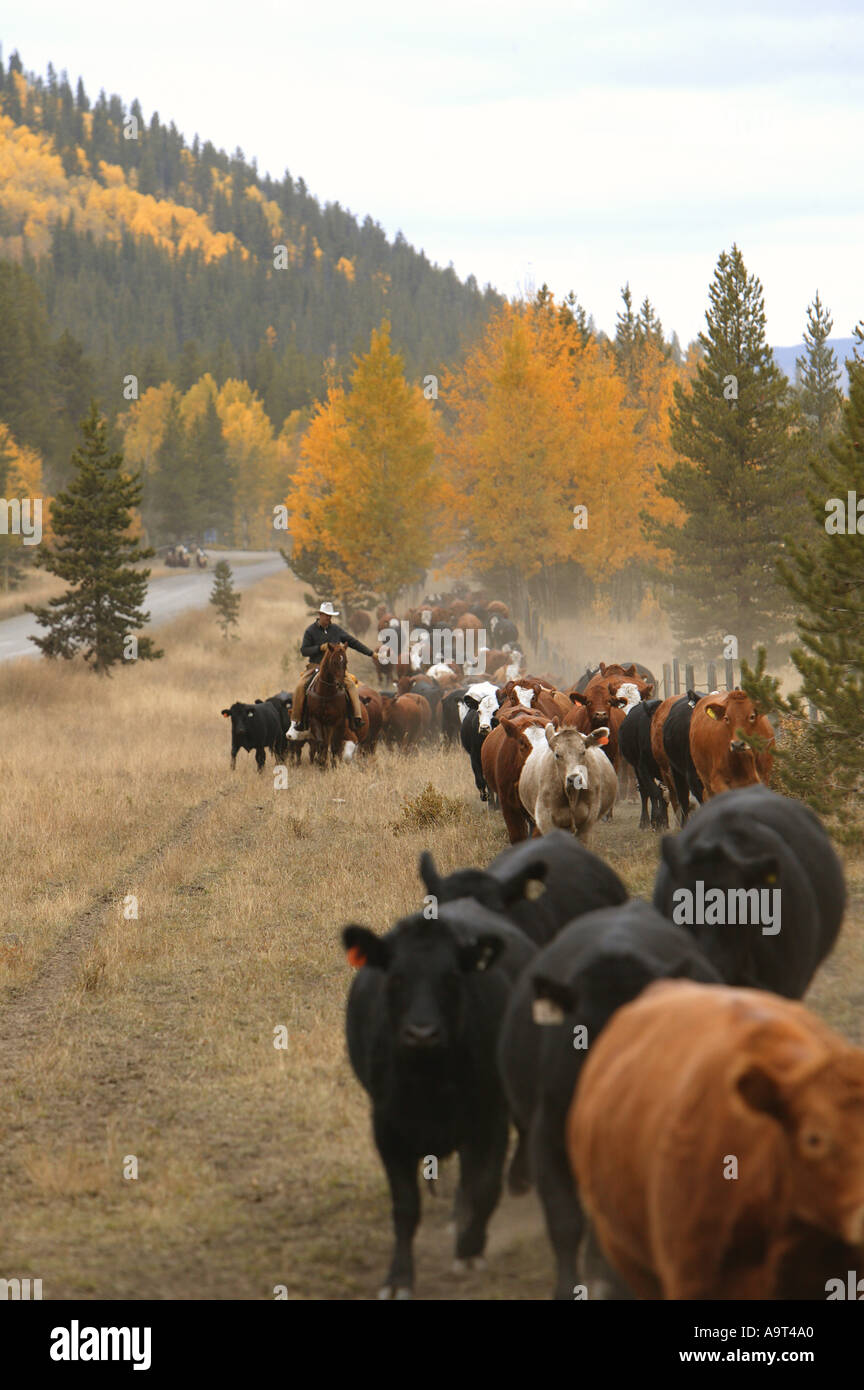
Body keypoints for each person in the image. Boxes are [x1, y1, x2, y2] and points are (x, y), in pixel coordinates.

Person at [288, 602, 378, 738]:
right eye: (326, 616)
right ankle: (297, 721)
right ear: (320, 615)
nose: (329, 618)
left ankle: (356, 718)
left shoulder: (336, 630)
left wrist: (371, 653)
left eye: (330, 616)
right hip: (315, 667)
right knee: (300, 686)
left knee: (351, 685)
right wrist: (319, 648)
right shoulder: (310, 631)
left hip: (336, 669)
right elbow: (304, 650)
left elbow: (353, 642)